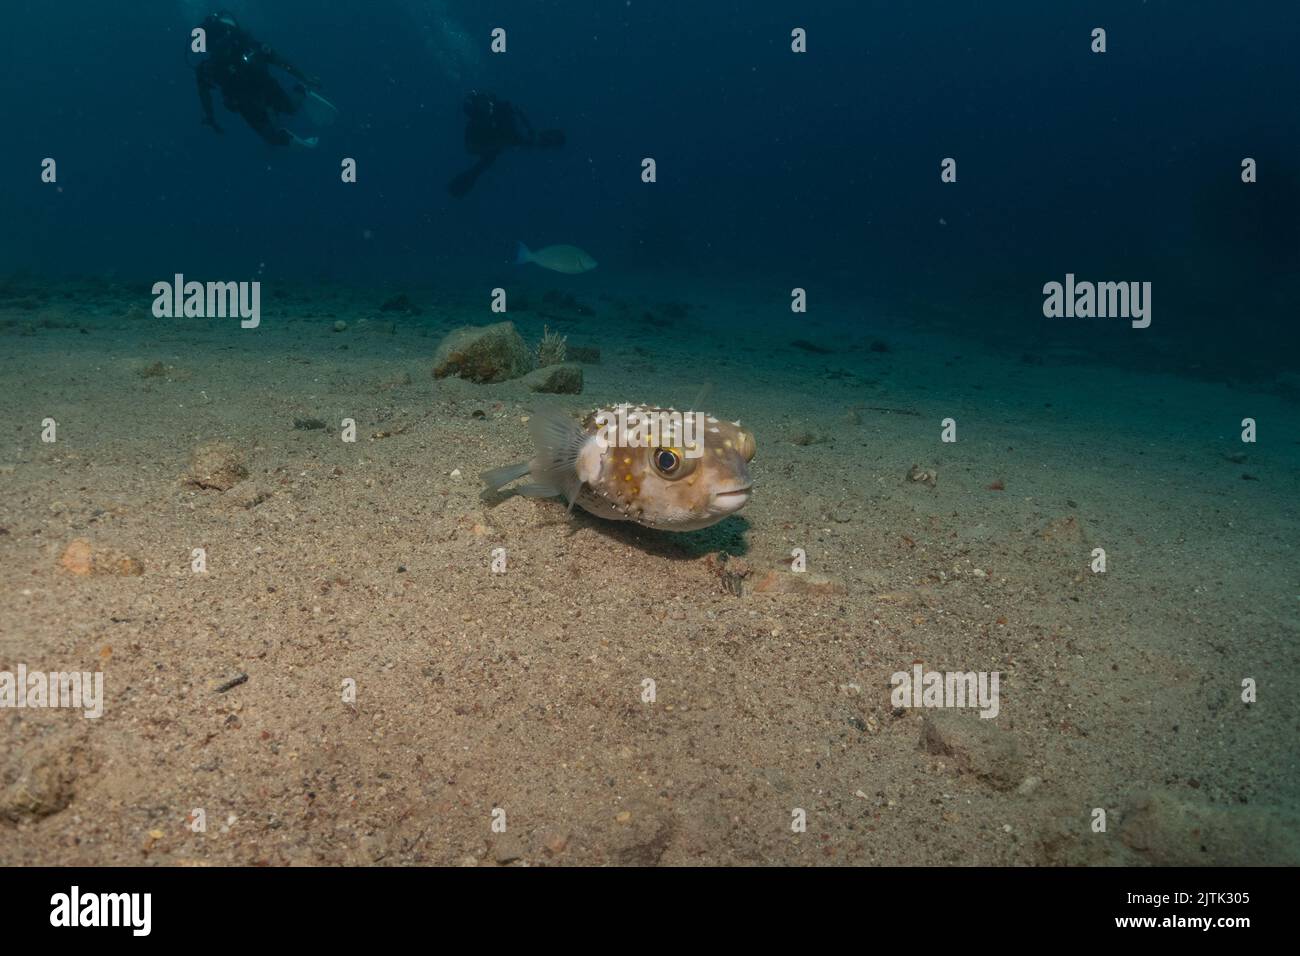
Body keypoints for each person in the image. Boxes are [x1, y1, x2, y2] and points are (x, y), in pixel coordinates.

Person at [194, 11, 323, 148]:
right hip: (244, 104)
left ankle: (302, 90)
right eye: (214, 44)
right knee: (272, 138)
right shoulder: (209, 69)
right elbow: (204, 93)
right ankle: (282, 133)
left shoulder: (251, 47)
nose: (219, 47)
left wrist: (305, 78)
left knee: (290, 108)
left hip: (265, 87)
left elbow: (280, 61)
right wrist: (210, 117)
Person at [448, 91, 565, 197]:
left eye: (485, 103)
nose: (486, 107)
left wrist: (528, 131)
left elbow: (517, 115)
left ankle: (549, 139)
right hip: (495, 142)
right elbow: (470, 148)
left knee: (528, 140)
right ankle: (465, 181)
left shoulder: (501, 109)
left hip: (506, 135)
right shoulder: (475, 125)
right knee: (484, 163)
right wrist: (492, 147)